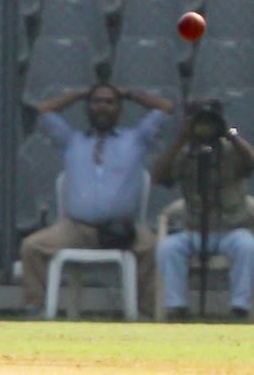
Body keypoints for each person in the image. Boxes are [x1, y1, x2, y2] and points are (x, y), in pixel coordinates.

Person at [19, 83, 175, 318]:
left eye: (109, 102)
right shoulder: (71, 141)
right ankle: (36, 308)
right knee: (31, 247)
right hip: (76, 229)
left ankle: (147, 313)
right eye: (97, 102)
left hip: (124, 230)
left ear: (119, 109)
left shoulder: (136, 139)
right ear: (88, 108)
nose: (102, 107)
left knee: (155, 249)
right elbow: (43, 110)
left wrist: (128, 93)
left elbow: (166, 107)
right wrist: (80, 92)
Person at [151, 98, 254, 321]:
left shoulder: (232, 151)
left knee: (247, 246)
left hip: (231, 229)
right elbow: (158, 176)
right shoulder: (185, 154)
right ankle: (176, 307)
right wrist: (181, 139)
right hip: (195, 229)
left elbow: (251, 162)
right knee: (169, 248)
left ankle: (240, 307)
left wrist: (230, 133)